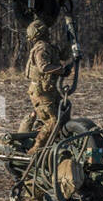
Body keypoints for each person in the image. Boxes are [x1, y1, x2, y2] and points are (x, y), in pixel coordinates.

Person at [18, 16, 72, 153]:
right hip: (41, 91)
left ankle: (54, 145)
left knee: (63, 116)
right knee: (53, 121)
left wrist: (71, 41)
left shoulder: (49, 47)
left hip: (49, 90)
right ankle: (35, 150)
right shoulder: (41, 48)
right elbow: (44, 67)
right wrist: (61, 70)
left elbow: (62, 56)